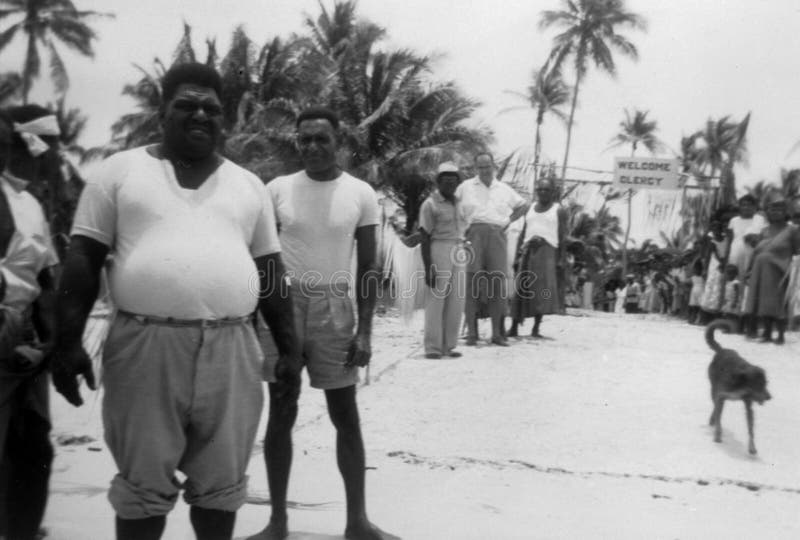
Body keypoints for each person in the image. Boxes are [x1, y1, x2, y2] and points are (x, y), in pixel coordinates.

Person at [48, 63, 298, 540]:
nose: (200, 114)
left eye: (212, 108)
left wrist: (289, 350)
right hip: (144, 346)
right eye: (187, 105)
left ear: (223, 119)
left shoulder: (248, 185)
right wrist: (67, 342)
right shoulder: (117, 172)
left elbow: (270, 272)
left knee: (222, 489)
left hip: (232, 349)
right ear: (163, 111)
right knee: (142, 492)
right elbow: (82, 260)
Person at [249, 107, 388, 540]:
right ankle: (277, 522)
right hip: (282, 308)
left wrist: (365, 331)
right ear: (297, 142)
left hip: (334, 309)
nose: (312, 147)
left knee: (345, 416)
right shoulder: (277, 189)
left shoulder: (361, 193)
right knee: (281, 412)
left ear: (338, 141)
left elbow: (368, 267)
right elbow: (260, 256)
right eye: (304, 139)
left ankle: (357, 522)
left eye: (321, 139)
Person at [0, 106, 60, 540]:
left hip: (25, 340)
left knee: (34, 448)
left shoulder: (30, 203)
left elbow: (43, 279)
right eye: (52, 144)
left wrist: (52, 342)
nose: (58, 154)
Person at [456, 152, 528, 346]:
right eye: (480, 167)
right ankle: (472, 333)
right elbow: (454, 208)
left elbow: (523, 206)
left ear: (493, 167)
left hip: (497, 235)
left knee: (498, 284)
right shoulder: (465, 187)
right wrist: (463, 231)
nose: (484, 171)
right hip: (474, 235)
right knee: (472, 284)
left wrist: (508, 221)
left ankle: (497, 333)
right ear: (475, 168)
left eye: (487, 167)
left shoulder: (504, 189)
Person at [507, 177, 565, 338]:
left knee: (540, 291)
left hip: (547, 251)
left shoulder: (558, 210)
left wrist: (560, 260)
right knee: (521, 289)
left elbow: (562, 236)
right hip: (527, 250)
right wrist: (518, 253)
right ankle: (513, 327)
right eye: (540, 189)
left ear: (553, 192)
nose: (543, 192)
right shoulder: (530, 208)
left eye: (546, 189)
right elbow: (524, 232)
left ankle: (536, 327)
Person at [418, 162, 465, 359]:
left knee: (457, 299)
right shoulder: (429, 204)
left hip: (459, 249)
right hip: (439, 247)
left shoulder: (459, 202)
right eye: (445, 181)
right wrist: (429, 267)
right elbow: (424, 237)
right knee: (436, 300)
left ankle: (449, 345)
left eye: (453, 182)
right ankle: (433, 348)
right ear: (438, 182)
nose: (450, 185)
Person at [742, 192, 800, 344]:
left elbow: (797, 250)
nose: (776, 212)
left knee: (778, 303)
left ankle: (780, 335)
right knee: (763, 303)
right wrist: (749, 270)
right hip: (761, 271)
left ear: (785, 211)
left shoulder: (792, 230)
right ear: (768, 211)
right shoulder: (765, 231)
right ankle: (767, 334)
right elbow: (757, 252)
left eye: (779, 209)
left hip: (780, 272)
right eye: (772, 209)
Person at [727, 194, 767, 334]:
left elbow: (762, 238)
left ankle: (748, 323)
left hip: (752, 256)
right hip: (735, 256)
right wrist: (728, 260)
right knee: (733, 289)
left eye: (749, 204)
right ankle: (733, 323)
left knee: (749, 289)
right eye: (743, 204)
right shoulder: (734, 220)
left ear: (755, 207)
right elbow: (730, 240)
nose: (746, 207)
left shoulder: (759, 220)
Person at [720, 264, 742, 329]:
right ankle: (727, 327)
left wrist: (735, 302)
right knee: (726, 314)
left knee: (732, 315)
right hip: (728, 301)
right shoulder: (728, 282)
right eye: (726, 274)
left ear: (734, 275)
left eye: (728, 274)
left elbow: (737, 293)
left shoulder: (735, 282)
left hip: (733, 302)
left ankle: (733, 327)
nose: (727, 276)